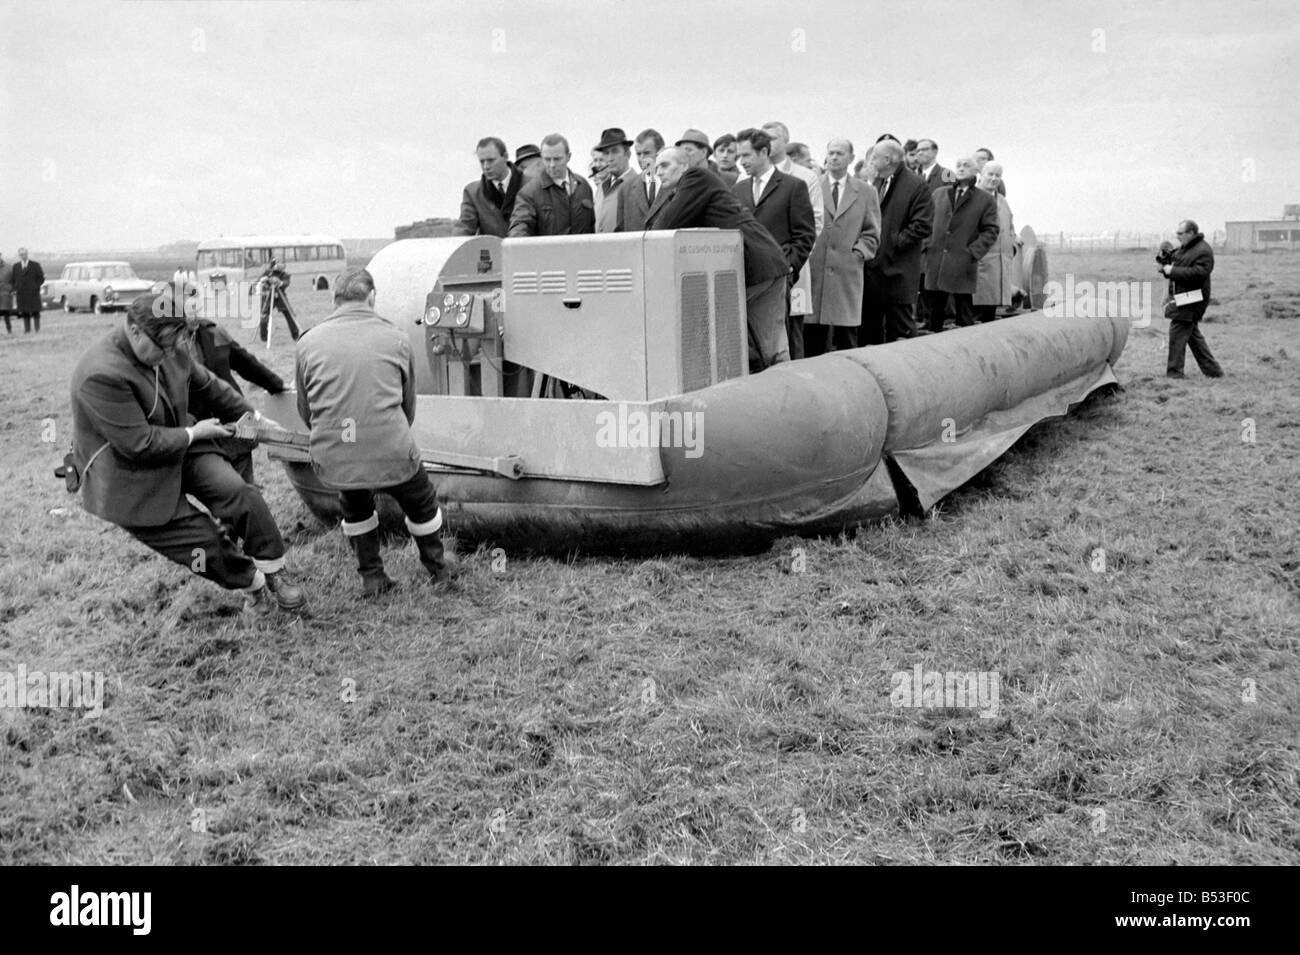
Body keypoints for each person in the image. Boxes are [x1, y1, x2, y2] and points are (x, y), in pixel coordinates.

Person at [69, 293, 307, 616]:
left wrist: (255, 418)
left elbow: (207, 384)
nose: (169, 353)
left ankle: (276, 570)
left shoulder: (169, 346)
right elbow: (139, 445)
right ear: (135, 329)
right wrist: (196, 433)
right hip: (131, 477)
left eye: (175, 344)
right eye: (163, 346)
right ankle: (253, 586)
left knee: (238, 492)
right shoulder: (100, 374)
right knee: (205, 544)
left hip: (184, 446)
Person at [295, 268, 454, 596]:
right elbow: (408, 408)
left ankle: (372, 576)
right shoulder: (396, 338)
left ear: (334, 300)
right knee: (422, 501)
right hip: (391, 448)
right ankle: (438, 570)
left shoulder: (307, 343)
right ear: (371, 298)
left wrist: (344, 437)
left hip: (337, 451)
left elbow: (306, 410)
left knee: (354, 497)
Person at [648, 147, 792, 368]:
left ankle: (785, 393)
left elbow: (664, 228)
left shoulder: (695, 177)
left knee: (766, 351)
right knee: (767, 350)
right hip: (762, 265)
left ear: (685, 166)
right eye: (656, 167)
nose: (658, 172)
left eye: (665, 165)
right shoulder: (688, 187)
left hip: (756, 266)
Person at [733, 128, 816, 360]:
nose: (742, 162)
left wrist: (790, 268)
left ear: (764, 152)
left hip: (778, 279)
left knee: (778, 344)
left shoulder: (793, 186)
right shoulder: (738, 189)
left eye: (746, 155)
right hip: (748, 281)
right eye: (740, 156)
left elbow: (805, 235)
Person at [183, 307, 287, 483]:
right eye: (186, 310)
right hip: (200, 428)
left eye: (195, 308)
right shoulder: (167, 346)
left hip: (232, 420)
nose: (193, 315)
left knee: (245, 487)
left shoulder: (215, 332)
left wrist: (277, 385)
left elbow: (244, 362)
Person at [805, 138, 880, 355]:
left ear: (851, 158)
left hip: (847, 269)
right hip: (816, 266)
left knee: (846, 331)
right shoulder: (812, 186)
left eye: (840, 153)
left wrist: (858, 253)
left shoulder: (866, 192)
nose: (834, 157)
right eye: (831, 153)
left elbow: (872, 232)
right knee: (814, 331)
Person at [863, 140, 934, 343]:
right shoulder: (875, 183)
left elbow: (922, 225)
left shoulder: (916, 185)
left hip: (898, 271)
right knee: (869, 332)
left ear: (887, 159)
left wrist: (892, 244)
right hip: (872, 271)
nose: (871, 161)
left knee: (901, 332)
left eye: (874, 157)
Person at [922, 155, 1000, 332]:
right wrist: (927, 246)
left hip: (963, 262)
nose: (961, 168)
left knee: (964, 315)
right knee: (934, 314)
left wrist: (972, 253)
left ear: (975, 172)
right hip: (936, 261)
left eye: (966, 165)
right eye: (958, 165)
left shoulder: (984, 200)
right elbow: (926, 221)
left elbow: (991, 230)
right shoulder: (939, 194)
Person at [1162, 219, 1224, 379]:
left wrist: (1173, 270)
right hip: (1183, 297)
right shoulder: (1186, 248)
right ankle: (1214, 372)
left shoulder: (1203, 250)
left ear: (1191, 233)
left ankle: (1174, 374)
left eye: (1180, 234)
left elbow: (1199, 274)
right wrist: (1165, 267)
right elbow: (1177, 264)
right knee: (1193, 337)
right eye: (1177, 234)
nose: (1177, 237)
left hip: (1193, 299)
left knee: (1177, 331)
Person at [508, 134, 596, 237]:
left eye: (557, 159)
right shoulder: (529, 193)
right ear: (541, 158)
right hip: (548, 253)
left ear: (568, 157)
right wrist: (517, 242)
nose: (552, 165)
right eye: (547, 159)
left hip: (582, 252)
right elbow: (520, 225)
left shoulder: (583, 186)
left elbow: (592, 226)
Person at [453, 136, 524, 238]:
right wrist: (453, 246)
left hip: (527, 250)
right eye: (482, 161)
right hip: (491, 252)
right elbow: (464, 227)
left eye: (491, 160)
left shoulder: (531, 186)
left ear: (505, 156)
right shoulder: (472, 193)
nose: (486, 166)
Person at [973, 161, 1018, 322]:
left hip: (1000, 262)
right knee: (976, 308)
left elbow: (1010, 226)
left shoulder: (1003, 201)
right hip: (980, 263)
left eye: (997, 175)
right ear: (981, 175)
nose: (993, 179)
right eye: (990, 174)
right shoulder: (971, 198)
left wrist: (1011, 246)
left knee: (990, 312)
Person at [616, 129, 668, 231]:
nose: (642, 158)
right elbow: (620, 231)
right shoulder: (625, 189)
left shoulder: (676, 185)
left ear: (661, 152)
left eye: (647, 153)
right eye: (638, 154)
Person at [592, 127, 636, 233]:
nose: (610, 158)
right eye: (606, 153)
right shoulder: (600, 188)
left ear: (627, 154)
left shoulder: (637, 185)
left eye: (615, 151)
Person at [256, 256, 301, 342]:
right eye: (278, 264)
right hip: (268, 297)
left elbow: (286, 283)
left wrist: (279, 283)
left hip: (281, 297)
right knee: (264, 315)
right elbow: (259, 281)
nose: (280, 266)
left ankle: (295, 335)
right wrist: (264, 280)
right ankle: (264, 337)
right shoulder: (267, 273)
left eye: (281, 264)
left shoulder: (285, 275)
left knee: (289, 314)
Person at [11, 248, 44, 334]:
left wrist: (36, 286)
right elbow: (13, 280)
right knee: (25, 312)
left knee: (36, 311)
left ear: (27, 254)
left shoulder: (35, 265)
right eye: (21, 255)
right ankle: (27, 330)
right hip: (21, 294)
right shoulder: (16, 266)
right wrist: (15, 289)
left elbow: (41, 278)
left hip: (33, 293)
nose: (23, 256)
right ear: (19, 256)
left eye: (24, 254)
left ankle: (37, 329)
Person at [0, 255, 13, 334]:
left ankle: (9, 331)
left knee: (6, 314)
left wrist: (10, 289)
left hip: (5, 294)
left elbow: (14, 280)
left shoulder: (9, 267)